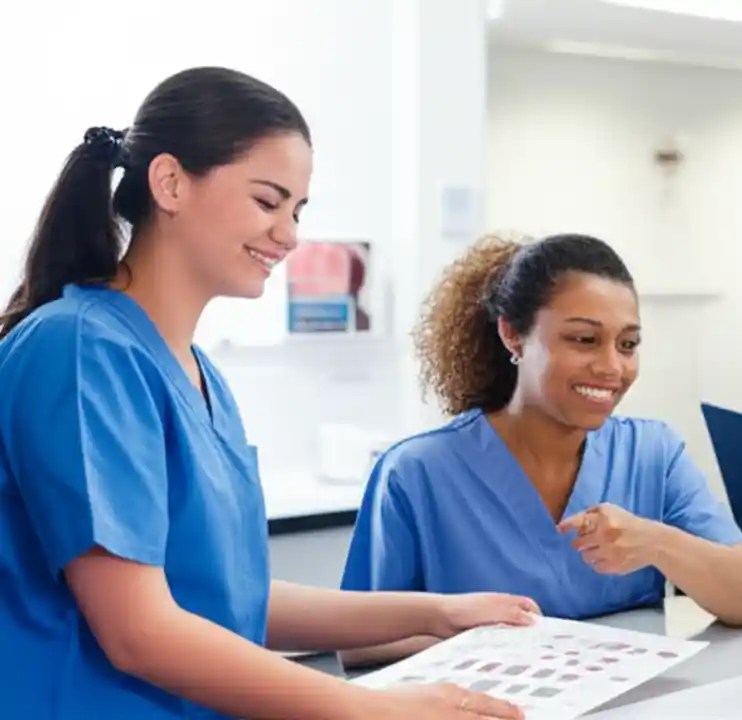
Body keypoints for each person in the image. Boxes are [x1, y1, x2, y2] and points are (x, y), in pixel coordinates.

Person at [0, 67, 537, 720]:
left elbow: (232, 597)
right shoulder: (80, 350)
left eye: (297, 210)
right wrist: (377, 710)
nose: (289, 234)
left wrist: (436, 611)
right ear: (169, 182)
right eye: (267, 201)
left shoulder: (199, 376)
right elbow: (140, 634)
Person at [339, 233, 742, 666]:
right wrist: (500, 644)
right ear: (513, 335)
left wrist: (656, 543)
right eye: (584, 340)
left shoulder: (652, 454)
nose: (612, 367)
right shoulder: (417, 472)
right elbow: (359, 643)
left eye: (627, 345)